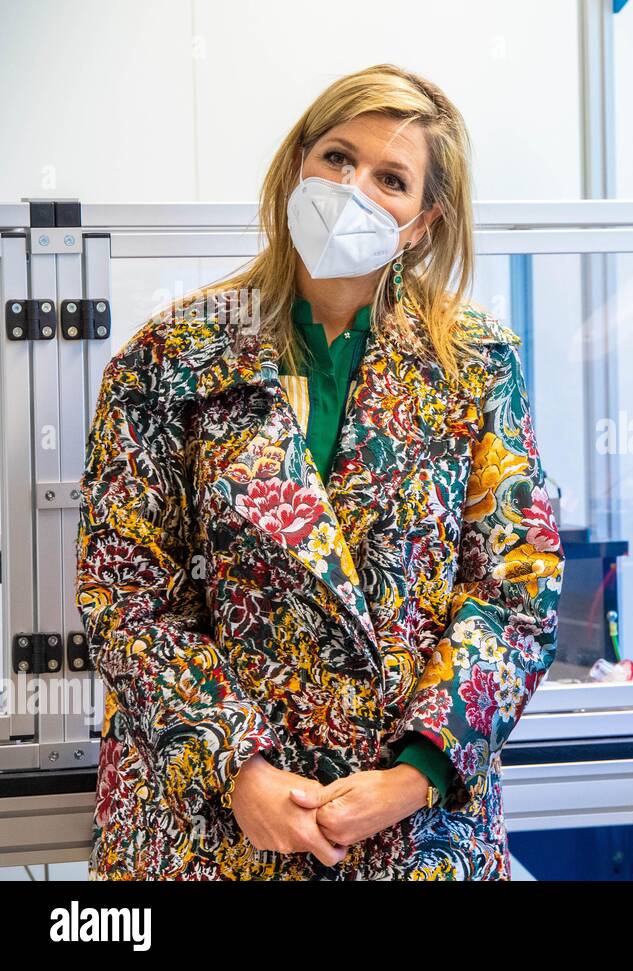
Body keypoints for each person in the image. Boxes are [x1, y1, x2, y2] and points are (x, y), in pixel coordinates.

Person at [76, 64, 564, 879]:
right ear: (297, 162)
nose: (353, 187)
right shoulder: (169, 358)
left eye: (391, 178)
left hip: (406, 830)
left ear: (422, 220)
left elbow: (517, 588)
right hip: (209, 826)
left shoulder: (478, 366)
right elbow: (123, 592)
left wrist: (416, 774)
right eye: (337, 157)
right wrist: (239, 770)